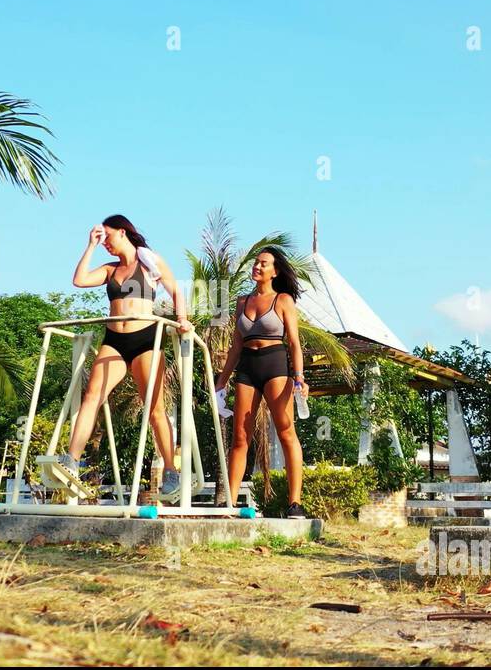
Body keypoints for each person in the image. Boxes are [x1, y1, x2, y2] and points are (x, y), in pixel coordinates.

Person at [58, 215, 191, 499]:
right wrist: (90, 246)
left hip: (146, 339)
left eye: (107, 236)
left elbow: (177, 290)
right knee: (92, 396)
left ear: (123, 232)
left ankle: (171, 471)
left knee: (153, 408)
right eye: (101, 238)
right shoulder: (109, 270)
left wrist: (182, 320)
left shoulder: (149, 262)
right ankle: (71, 459)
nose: (105, 242)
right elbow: (79, 280)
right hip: (114, 341)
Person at [215, 246, 309, 518]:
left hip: (275, 364)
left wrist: (299, 377)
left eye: (264, 263)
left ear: (275, 271)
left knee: (285, 431)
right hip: (247, 366)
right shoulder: (242, 302)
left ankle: (294, 503)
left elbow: (293, 343)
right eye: (256, 263)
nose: (257, 266)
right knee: (240, 437)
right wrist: (221, 382)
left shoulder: (283, 300)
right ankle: (230, 505)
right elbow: (235, 345)